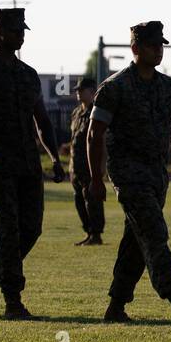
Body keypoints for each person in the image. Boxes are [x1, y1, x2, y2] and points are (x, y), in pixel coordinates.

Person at [86, 21, 171, 324]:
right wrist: (96, 179)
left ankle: (116, 307)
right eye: (152, 45)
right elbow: (94, 134)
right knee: (154, 233)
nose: (158, 50)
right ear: (135, 49)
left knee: (136, 241)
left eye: (161, 45)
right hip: (128, 174)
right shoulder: (114, 88)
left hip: (156, 176)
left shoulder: (168, 88)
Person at [0, 8, 66, 320]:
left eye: (23, 30)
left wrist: (55, 158)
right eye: (16, 30)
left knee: (31, 229)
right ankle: (13, 301)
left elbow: (42, 122)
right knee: (9, 230)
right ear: (0, 31)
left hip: (29, 165)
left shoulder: (28, 74)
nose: (21, 35)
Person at [69, 76, 104, 245]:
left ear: (91, 91)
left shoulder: (96, 113)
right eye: (77, 90)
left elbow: (100, 140)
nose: (78, 93)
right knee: (79, 201)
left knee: (92, 201)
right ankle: (89, 232)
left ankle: (96, 234)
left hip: (90, 166)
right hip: (75, 166)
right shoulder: (77, 113)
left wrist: (100, 167)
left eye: (81, 90)